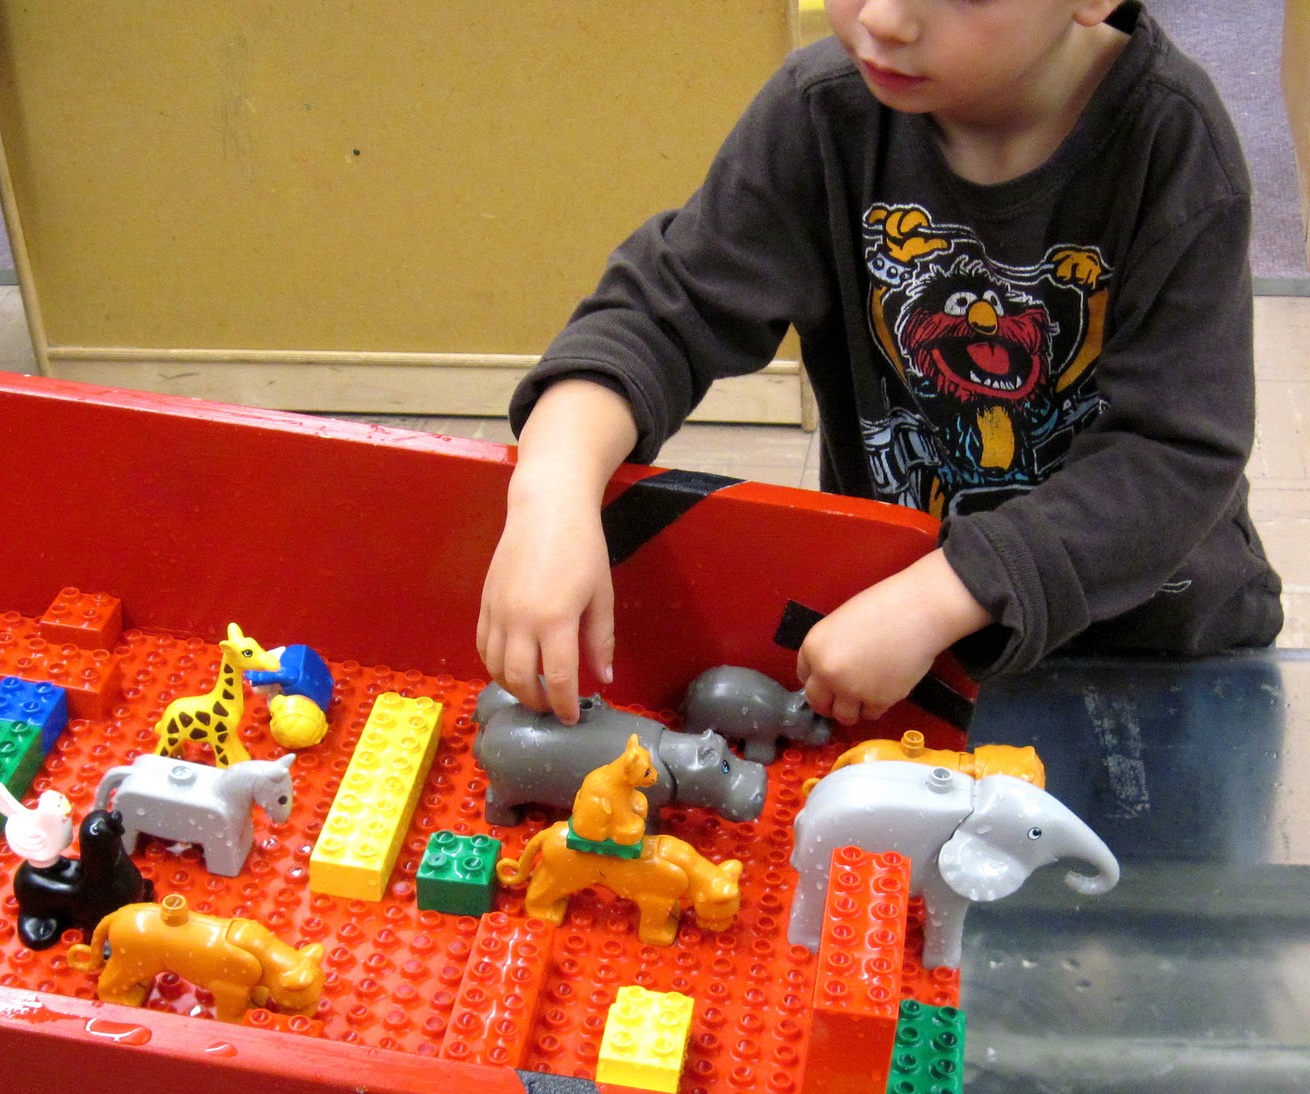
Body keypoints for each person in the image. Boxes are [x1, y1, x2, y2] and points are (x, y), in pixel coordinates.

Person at [476, 0, 1283, 726]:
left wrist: (943, 593)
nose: (886, 18)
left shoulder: (1173, 140)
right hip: (903, 651)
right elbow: (661, 312)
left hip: (1152, 656)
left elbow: (1173, 456)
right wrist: (552, 491)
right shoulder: (821, 114)